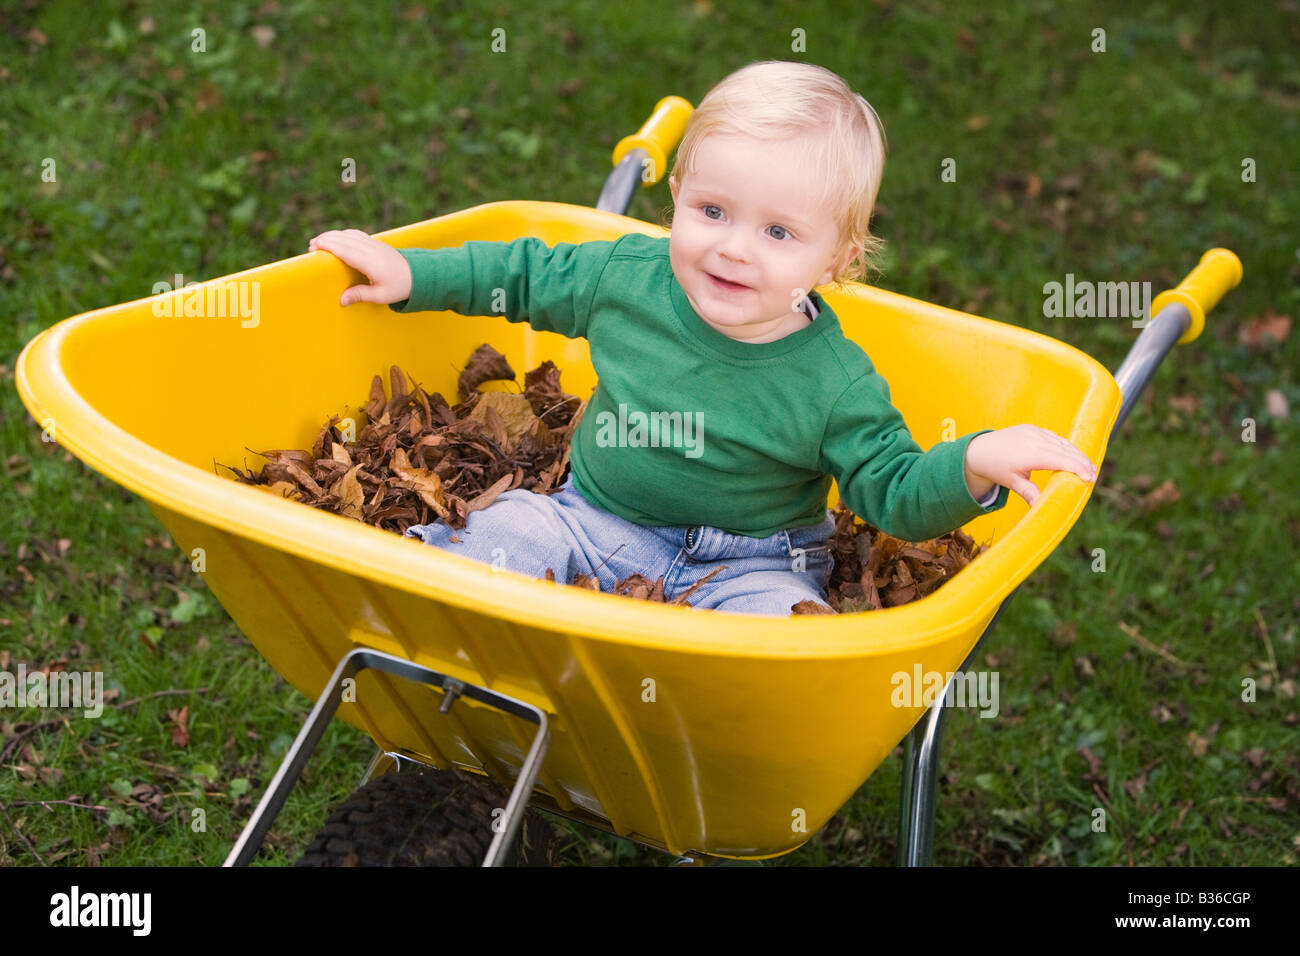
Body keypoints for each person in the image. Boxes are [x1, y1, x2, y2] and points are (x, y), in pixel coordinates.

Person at [307, 60, 1097, 616]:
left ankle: (701, 739)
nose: (733, 247)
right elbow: (525, 272)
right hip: (593, 518)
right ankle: (452, 664)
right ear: (677, 196)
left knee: (780, 639)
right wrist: (413, 275)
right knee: (505, 533)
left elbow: (890, 490)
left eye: (779, 231)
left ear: (838, 260)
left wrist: (972, 464)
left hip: (751, 563)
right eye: (713, 211)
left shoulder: (835, 382)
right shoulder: (629, 276)